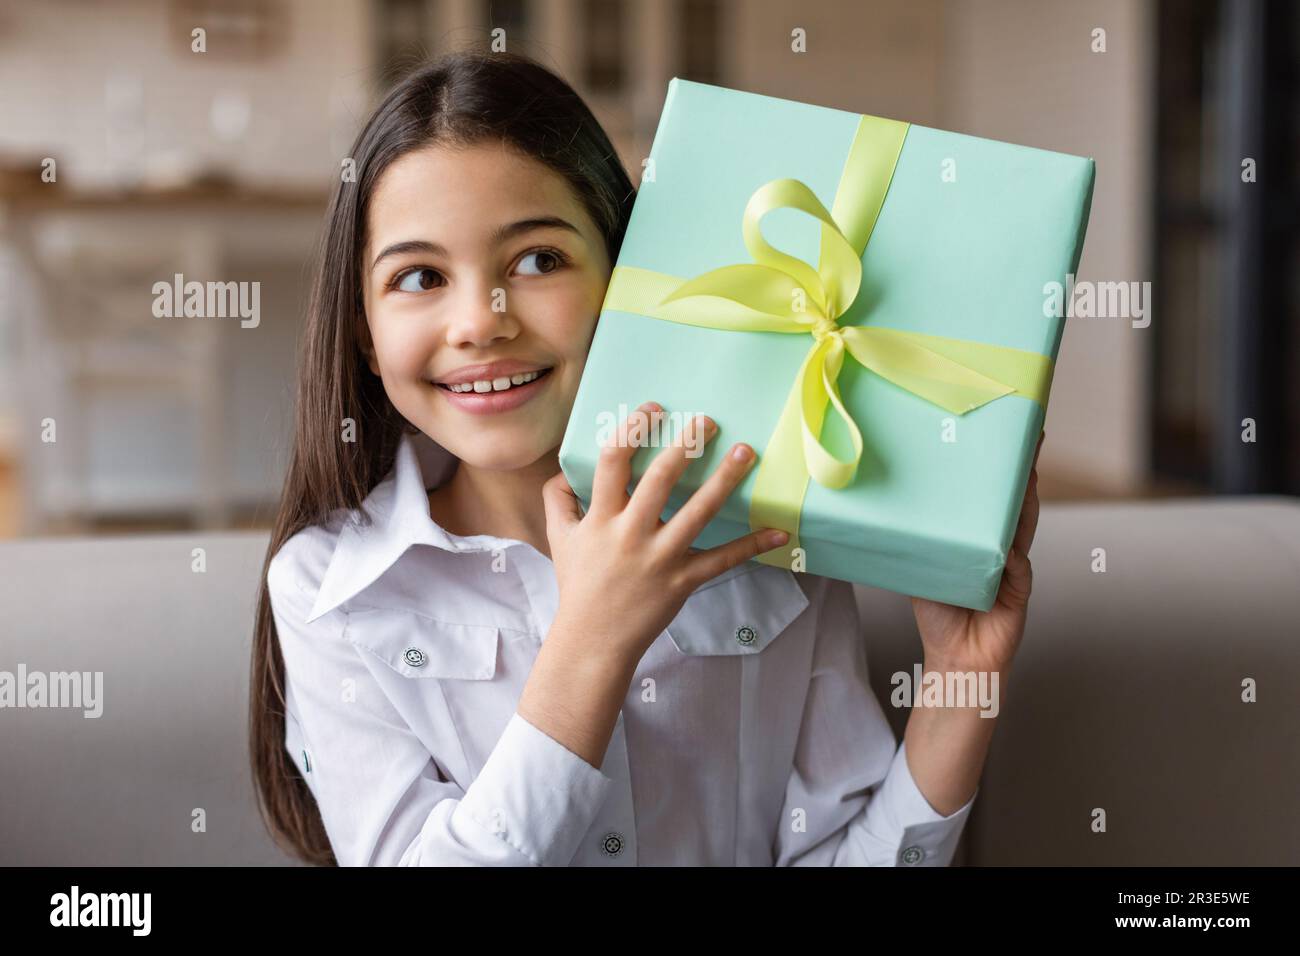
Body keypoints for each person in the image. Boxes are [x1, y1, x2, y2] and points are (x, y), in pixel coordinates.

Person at [249, 49, 1044, 867]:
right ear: (364, 336)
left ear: (625, 278)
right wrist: (593, 639)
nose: (479, 323)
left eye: (537, 261)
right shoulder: (328, 593)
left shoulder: (762, 522)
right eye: (419, 277)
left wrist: (956, 682)